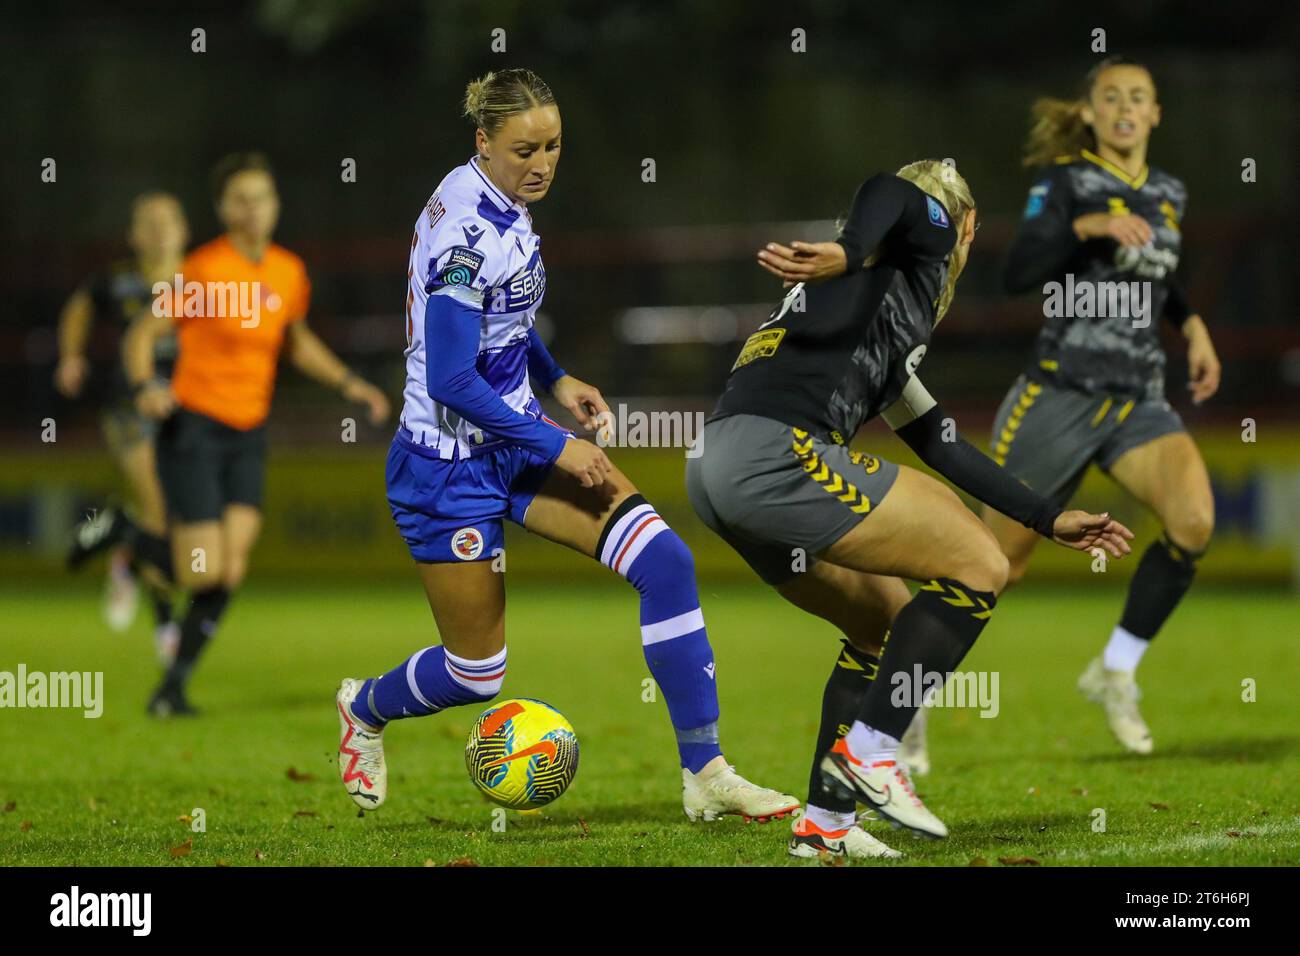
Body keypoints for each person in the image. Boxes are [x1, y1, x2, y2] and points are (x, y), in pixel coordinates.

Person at [334, 68, 798, 825]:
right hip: (446, 467)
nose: (542, 162)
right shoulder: (463, 233)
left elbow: (505, 325)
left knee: (665, 563)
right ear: (483, 142)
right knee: (478, 676)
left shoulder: (503, 202)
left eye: (553, 146)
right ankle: (365, 709)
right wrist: (557, 442)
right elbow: (451, 378)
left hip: (516, 438)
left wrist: (556, 378)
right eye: (524, 149)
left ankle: (706, 769)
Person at [693, 159, 1134, 859]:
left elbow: (943, 443)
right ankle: (870, 753)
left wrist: (1048, 518)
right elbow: (891, 193)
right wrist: (846, 246)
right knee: (980, 563)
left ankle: (826, 829)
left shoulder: (877, 311)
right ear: (968, 225)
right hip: (775, 453)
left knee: (880, 629)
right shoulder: (915, 241)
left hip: (717, 465)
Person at [981, 57, 1220, 756]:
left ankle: (1115, 670)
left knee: (1195, 520)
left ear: (1155, 114)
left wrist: (1194, 324)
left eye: (1138, 97)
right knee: (992, 565)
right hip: (1060, 394)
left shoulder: (1168, 191)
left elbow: (1159, 274)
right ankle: (908, 703)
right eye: (1110, 96)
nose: (1124, 107)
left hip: (1138, 399)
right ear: (1088, 113)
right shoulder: (1064, 183)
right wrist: (1086, 227)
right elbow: (1017, 273)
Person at [124, 151, 391, 716]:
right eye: (240, 198)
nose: (252, 209)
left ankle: (171, 690)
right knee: (205, 569)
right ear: (222, 207)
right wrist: (146, 383)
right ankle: (127, 538)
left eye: (262, 198)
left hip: (247, 433)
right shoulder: (201, 269)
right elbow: (141, 337)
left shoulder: (287, 272)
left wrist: (350, 383)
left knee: (230, 569)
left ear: (276, 205)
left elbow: (295, 340)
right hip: (193, 427)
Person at [56, 193, 187, 655]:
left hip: (188, 411)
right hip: (128, 408)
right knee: (158, 507)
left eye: (166, 221)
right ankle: (167, 622)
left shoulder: (203, 278)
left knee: (177, 520)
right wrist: (71, 357)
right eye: (147, 223)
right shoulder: (117, 281)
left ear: (184, 230)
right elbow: (78, 309)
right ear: (132, 235)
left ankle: (121, 539)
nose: (158, 231)